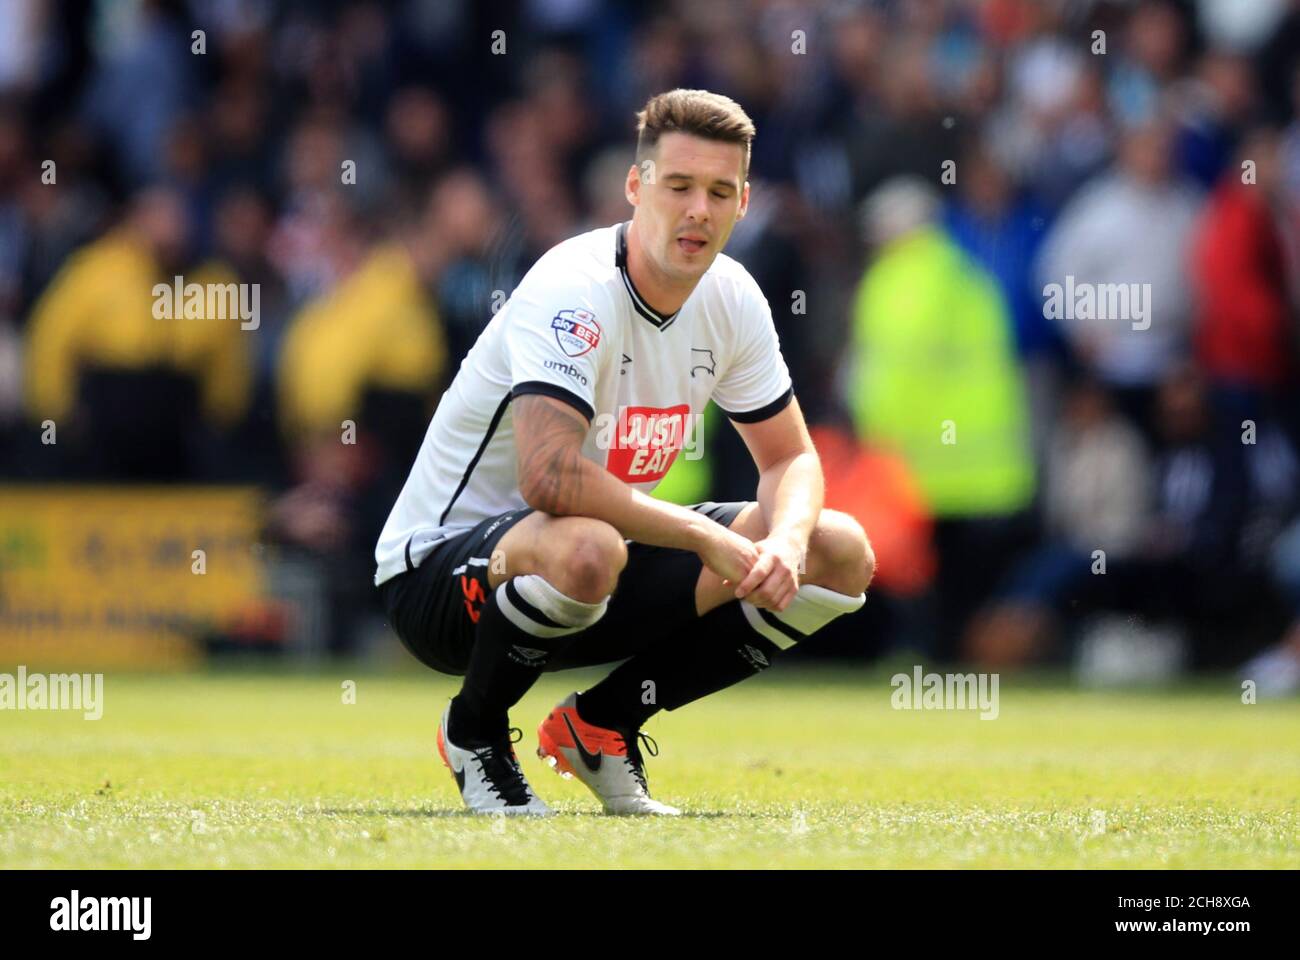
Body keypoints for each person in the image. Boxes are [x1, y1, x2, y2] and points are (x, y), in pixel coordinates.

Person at [374, 89, 874, 816]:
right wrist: (707, 538)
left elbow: (790, 461)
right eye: (678, 186)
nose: (698, 209)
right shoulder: (574, 287)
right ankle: (474, 734)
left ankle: (600, 726)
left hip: (594, 567)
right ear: (636, 189)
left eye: (719, 191)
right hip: (438, 578)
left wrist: (789, 542)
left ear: (743, 202)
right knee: (587, 546)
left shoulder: (733, 298)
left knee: (841, 551)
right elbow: (547, 476)